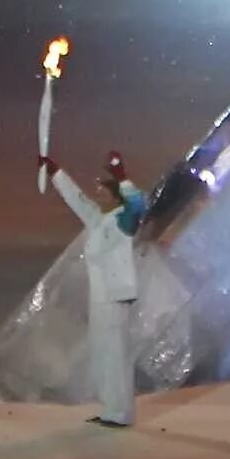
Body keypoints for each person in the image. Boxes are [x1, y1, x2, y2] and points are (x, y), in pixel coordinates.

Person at [40, 148, 146, 427]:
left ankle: (122, 413)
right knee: (102, 354)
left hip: (115, 296)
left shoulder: (125, 219)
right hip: (100, 298)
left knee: (115, 355)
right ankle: (111, 409)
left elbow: (138, 204)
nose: (98, 194)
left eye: (104, 191)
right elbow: (77, 200)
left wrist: (122, 175)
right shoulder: (99, 220)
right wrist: (55, 172)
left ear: (116, 196)